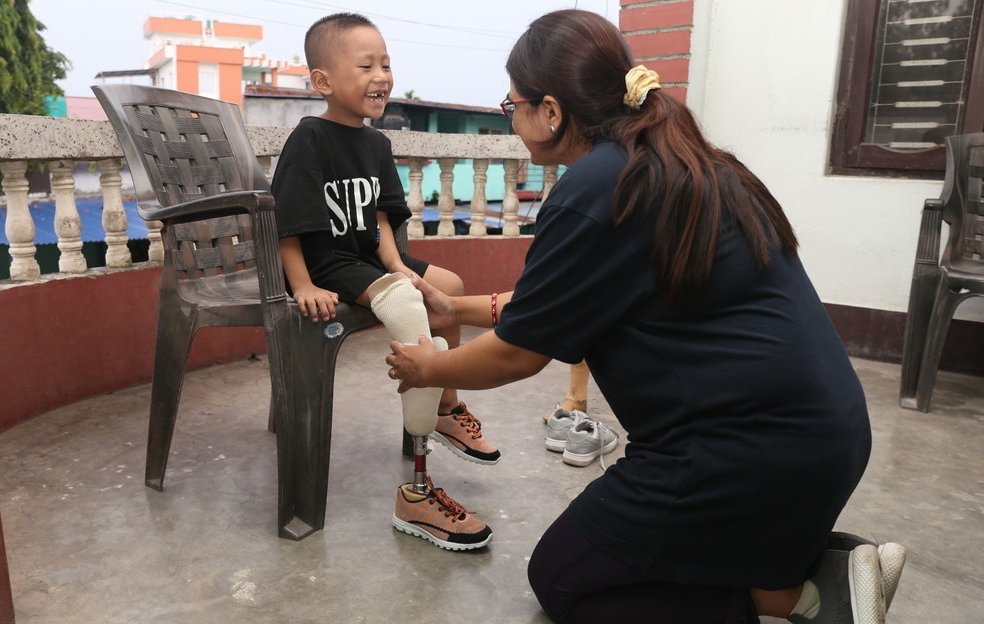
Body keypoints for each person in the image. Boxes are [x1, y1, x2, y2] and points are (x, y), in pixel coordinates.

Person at [386, 9, 905, 623]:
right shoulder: (689, 162)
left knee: (566, 581)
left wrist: (426, 367)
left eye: (513, 106)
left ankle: (808, 600)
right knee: (726, 569)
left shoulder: (596, 188)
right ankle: (803, 581)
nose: (514, 119)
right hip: (824, 436)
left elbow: (518, 352)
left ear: (551, 111)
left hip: (736, 454)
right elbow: (553, 305)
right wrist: (453, 308)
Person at [270, 13, 496, 551]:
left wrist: (399, 267)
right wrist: (301, 285)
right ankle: (417, 494)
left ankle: (445, 406)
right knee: (410, 310)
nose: (382, 76)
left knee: (448, 286)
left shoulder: (376, 145)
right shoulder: (310, 139)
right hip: (329, 265)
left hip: (371, 258)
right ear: (323, 82)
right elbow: (285, 224)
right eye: (366, 65)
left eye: (387, 64)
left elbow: (380, 221)